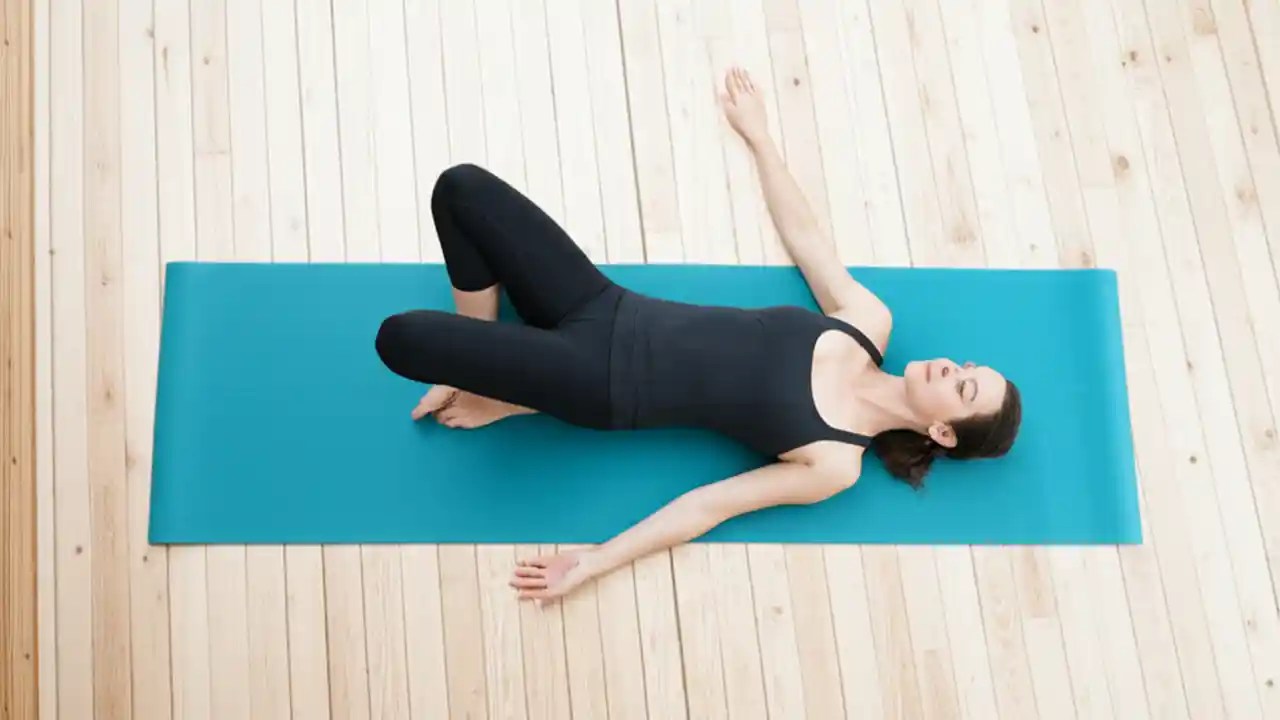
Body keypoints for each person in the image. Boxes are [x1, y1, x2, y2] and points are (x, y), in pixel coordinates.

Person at [374, 67, 1021, 603]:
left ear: (942, 433)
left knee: (399, 339)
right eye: (966, 364)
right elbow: (808, 239)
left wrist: (594, 562)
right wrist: (762, 138)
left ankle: (503, 383)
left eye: (963, 387)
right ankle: (488, 369)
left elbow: (708, 506)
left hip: (598, 384)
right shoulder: (869, 323)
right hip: (607, 306)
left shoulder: (834, 462)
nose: (948, 365)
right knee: (460, 189)